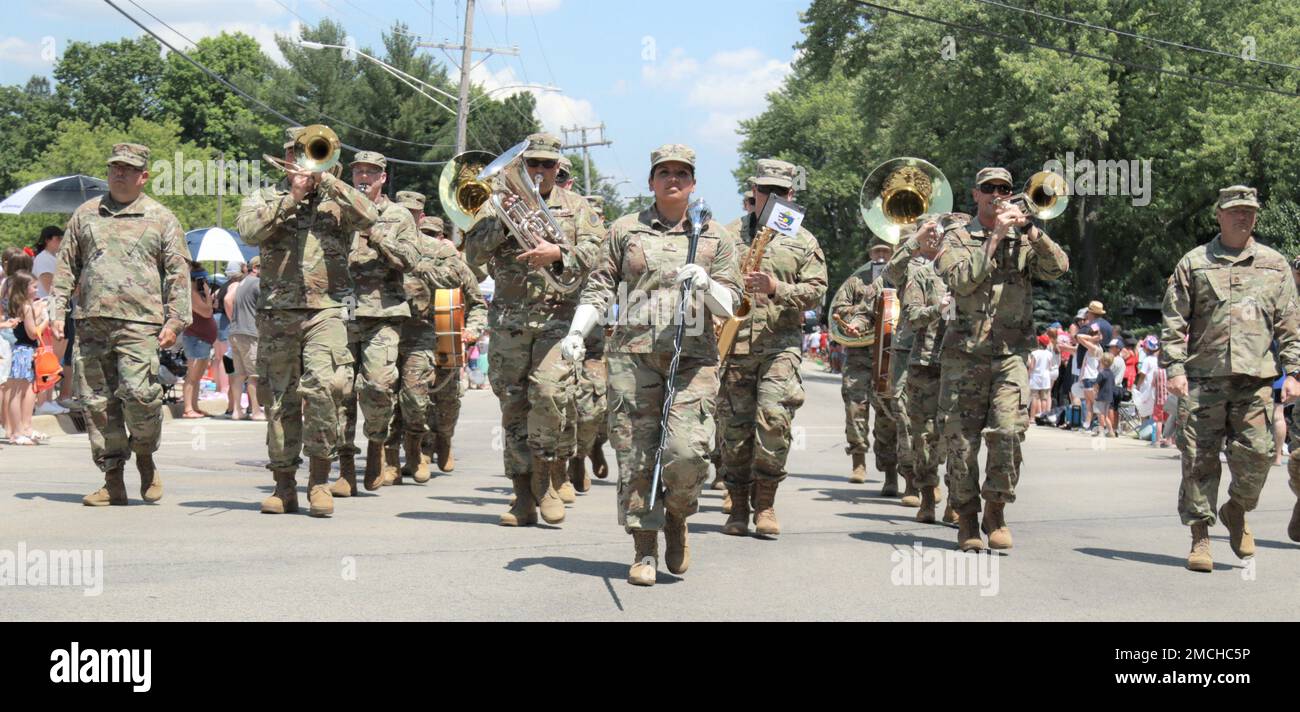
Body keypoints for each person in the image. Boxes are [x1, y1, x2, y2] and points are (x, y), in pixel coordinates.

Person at [561, 143, 740, 585]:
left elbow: (732, 303)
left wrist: (707, 286)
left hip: (693, 360)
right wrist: (577, 331)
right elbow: (599, 287)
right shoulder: (625, 230)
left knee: (687, 455)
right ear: (651, 181)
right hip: (632, 357)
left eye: (682, 173)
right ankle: (644, 548)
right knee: (636, 456)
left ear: (694, 182)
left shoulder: (715, 235)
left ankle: (678, 517)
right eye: (665, 172)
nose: (673, 179)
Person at [236, 128, 377, 517]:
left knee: (325, 389)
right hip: (277, 313)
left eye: (311, 154)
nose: (303, 163)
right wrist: (294, 196)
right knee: (279, 400)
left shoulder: (338, 202)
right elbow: (248, 231)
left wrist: (328, 180)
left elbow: (371, 215)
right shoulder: (265, 198)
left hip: (326, 310)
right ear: (284, 160)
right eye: (296, 155)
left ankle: (319, 481)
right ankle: (284, 486)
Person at [464, 133, 604, 526]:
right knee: (513, 406)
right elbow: (472, 255)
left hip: (558, 320)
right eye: (532, 165)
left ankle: (547, 481)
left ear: (558, 168)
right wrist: (504, 225)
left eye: (546, 165)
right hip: (509, 321)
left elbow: (597, 253)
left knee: (549, 393)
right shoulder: (495, 207)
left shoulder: (577, 208)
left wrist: (558, 252)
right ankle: (521, 494)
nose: (539, 171)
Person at [928, 165, 1069, 550]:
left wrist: (1030, 231)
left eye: (1004, 188)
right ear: (975, 195)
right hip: (963, 354)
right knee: (961, 444)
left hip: (1010, 354)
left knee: (1008, 433)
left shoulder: (1024, 237)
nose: (997, 193)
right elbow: (960, 280)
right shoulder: (956, 236)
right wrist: (994, 239)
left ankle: (996, 509)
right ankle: (967, 519)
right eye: (989, 188)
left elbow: (1058, 268)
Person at [1162, 185, 1300, 571]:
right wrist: (1174, 368)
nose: (1243, 216)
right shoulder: (1194, 262)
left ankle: (1237, 509)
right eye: (1235, 210)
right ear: (1219, 214)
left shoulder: (1275, 265)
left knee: (1257, 456)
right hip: (1203, 381)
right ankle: (1200, 538)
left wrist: (1294, 372)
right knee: (1198, 461)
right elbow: (1174, 320)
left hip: (1255, 380)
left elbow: (1290, 323)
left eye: (1250, 210)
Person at [49, 143, 192, 506]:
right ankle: (113, 480)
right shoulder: (85, 214)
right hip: (92, 322)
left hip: (140, 324)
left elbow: (178, 273)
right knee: (98, 404)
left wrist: (176, 320)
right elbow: (66, 266)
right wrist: (57, 310)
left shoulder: (161, 217)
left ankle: (145, 456)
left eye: (129, 169)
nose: (120, 173)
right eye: (115, 167)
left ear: (143, 176)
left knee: (141, 396)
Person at [716, 159, 827, 538]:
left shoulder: (803, 239)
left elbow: (817, 293)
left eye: (782, 192)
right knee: (734, 433)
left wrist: (776, 288)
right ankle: (737, 505)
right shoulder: (727, 235)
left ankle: (765, 504)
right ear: (754, 193)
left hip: (779, 346)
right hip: (733, 345)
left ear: (791, 195)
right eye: (767, 191)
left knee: (773, 421)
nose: (774, 198)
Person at [335, 151, 425, 492]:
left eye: (372, 172)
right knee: (339, 390)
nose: (364, 177)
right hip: (343, 310)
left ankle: (376, 445)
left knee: (378, 385)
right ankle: (345, 466)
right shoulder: (338, 209)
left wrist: (377, 233)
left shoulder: (399, 215)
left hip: (384, 312)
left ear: (383, 178)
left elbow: (412, 259)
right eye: (359, 171)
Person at [384, 215, 487, 489]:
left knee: (446, 396)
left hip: (446, 328)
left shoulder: (447, 257)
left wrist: (473, 330)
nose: (428, 237)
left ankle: (444, 438)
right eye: (423, 232)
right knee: (401, 396)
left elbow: (476, 298)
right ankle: (408, 454)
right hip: (402, 331)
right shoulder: (397, 253)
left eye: (433, 233)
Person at [898, 221, 955, 523]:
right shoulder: (922, 274)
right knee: (924, 437)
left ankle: (957, 501)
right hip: (925, 365)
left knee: (958, 436)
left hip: (960, 365)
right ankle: (927, 495)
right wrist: (939, 308)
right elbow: (912, 317)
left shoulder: (969, 274)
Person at [829, 241, 896, 488]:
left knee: (887, 412)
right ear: (870, 254)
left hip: (888, 352)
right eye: (877, 251)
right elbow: (838, 309)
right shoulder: (856, 281)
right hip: (858, 353)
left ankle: (890, 471)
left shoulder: (899, 276)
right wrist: (866, 308)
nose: (881, 255)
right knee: (855, 408)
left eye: (885, 251)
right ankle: (858, 461)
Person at [569, 204, 611, 493]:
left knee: (595, 409)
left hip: (597, 343)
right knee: (561, 403)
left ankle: (591, 445)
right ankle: (572, 461)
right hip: (559, 335)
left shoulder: (609, 245)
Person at [2, 271, 44, 445]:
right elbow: (33, 333)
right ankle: (17, 432)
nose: (36, 290)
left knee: (16, 392)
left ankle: (15, 430)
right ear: (24, 288)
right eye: (33, 287)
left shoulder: (19, 305)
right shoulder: (26, 307)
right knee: (17, 393)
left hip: (18, 350)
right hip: (23, 351)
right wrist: (45, 319)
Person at [226, 256, 263, 421]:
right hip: (249, 333)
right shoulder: (256, 283)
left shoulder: (240, 283)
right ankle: (255, 411)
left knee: (239, 375)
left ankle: (237, 410)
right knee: (254, 375)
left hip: (235, 332)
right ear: (255, 268)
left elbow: (228, 299)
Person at [181, 265, 217, 419]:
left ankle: (194, 406)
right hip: (196, 338)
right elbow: (207, 311)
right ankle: (188, 408)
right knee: (192, 375)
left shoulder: (198, 294)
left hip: (203, 339)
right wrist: (208, 295)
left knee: (198, 376)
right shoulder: (192, 294)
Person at [1028, 334, 1057, 422]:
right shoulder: (1049, 354)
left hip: (1036, 377)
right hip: (1045, 377)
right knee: (1044, 398)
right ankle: (1043, 417)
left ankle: (1032, 417)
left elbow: (1031, 366)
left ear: (1039, 342)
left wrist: (1028, 374)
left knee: (1034, 398)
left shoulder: (1034, 353)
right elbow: (1050, 365)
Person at [1094, 352, 1117, 438]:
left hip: (1101, 396)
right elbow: (1113, 385)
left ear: (1102, 362)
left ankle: (1101, 432)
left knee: (1101, 415)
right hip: (1109, 397)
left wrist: (1095, 393)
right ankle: (1111, 432)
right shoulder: (1111, 374)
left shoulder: (1102, 373)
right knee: (1105, 415)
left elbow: (1096, 385)